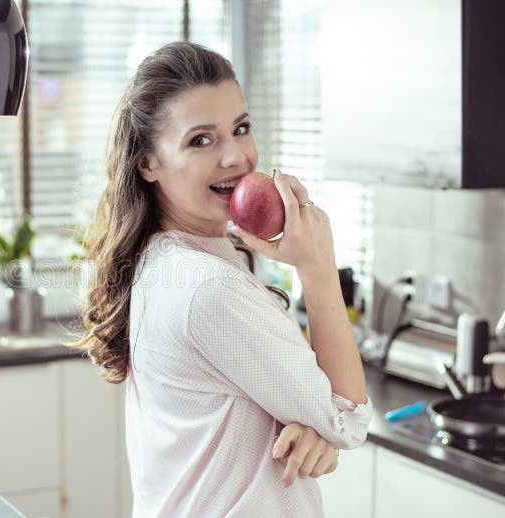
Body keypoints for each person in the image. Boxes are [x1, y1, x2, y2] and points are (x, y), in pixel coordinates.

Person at [66, 42, 372, 517]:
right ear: (148, 163)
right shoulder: (208, 287)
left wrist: (315, 422)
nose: (235, 157)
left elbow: (318, 410)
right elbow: (347, 419)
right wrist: (317, 267)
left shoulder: (165, 260)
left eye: (240, 129)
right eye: (201, 141)